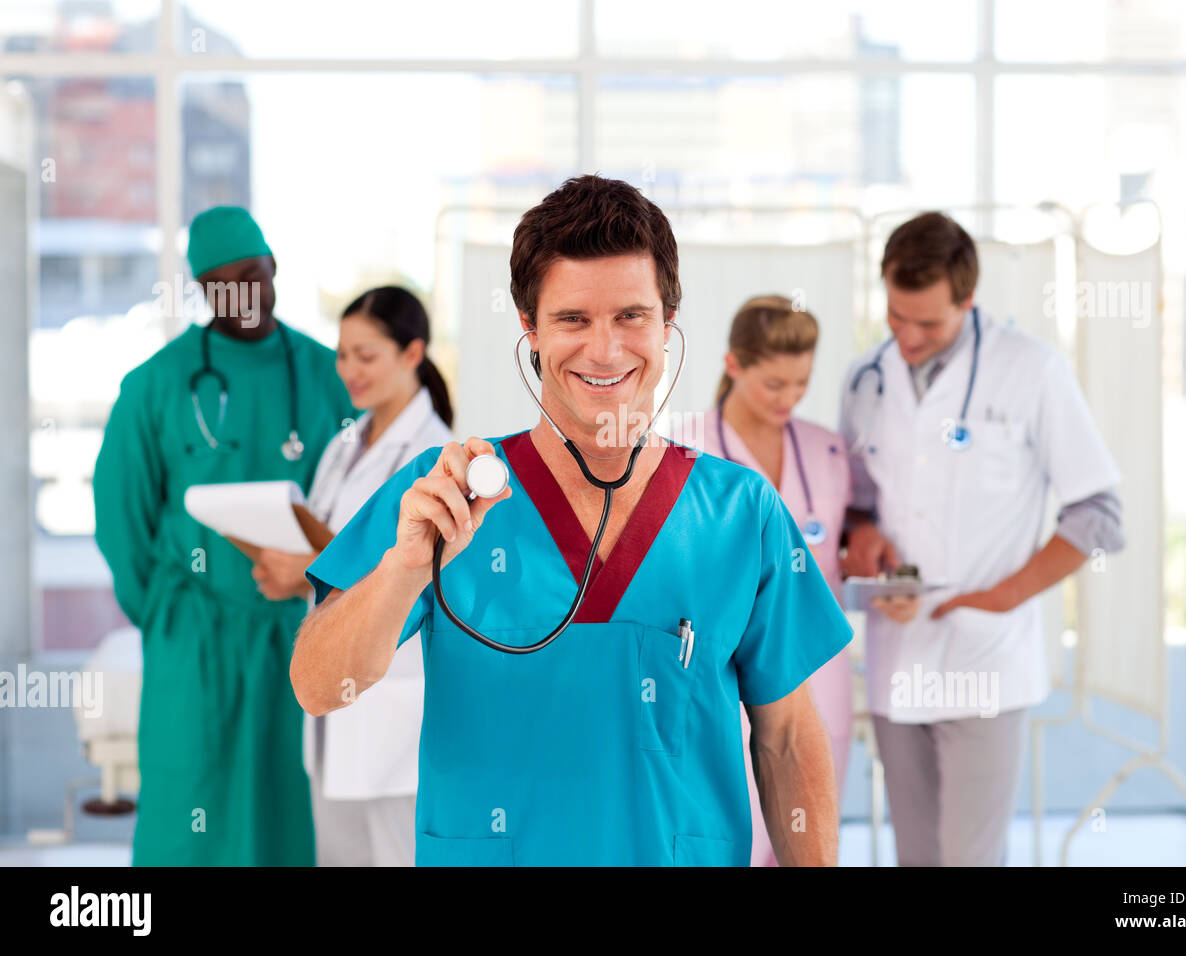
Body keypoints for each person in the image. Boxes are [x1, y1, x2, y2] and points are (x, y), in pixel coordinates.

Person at [290, 175, 851, 867]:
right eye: (572, 319)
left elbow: (788, 736)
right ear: (530, 330)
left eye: (631, 317)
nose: (605, 350)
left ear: (667, 325)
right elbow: (318, 686)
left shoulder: (742, 513)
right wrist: (404, 569)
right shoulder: (443, 494)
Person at [839, 211, 1125, 866]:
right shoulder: (865, 378)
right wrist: (868, 539)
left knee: (970, 859)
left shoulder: (1031, 371)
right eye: (895, 316)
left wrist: (1001, 597)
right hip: (897, 651)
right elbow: (856, 506)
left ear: (969, 301)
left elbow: (1099, 512)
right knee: (915, 856)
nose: (907, 336)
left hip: (984, 656)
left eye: (928, 323)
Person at [92, 205, 355, 865]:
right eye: (222, 283)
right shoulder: (155, 385)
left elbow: (366, 502)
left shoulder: (330, 376)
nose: (242, 294)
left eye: (253, 275)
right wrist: (160, 612)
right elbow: (120, 516)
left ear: (275, 271)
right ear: (203, 292)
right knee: (188, 808)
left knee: (290, 809)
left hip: (300, 626)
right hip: (195, 633)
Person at [250, 286, 454, 867]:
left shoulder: (437, 453)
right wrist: (299, 574)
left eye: (366, 355)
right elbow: (334, 551)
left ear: (412, 353)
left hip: (396, 712)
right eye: (342, 355)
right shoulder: (344, 445)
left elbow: (421, 576)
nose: (349, 371)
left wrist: (311, 576)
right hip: (335, 708)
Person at [671, 295, 852, 867]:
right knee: (732, 835)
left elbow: (848, 543)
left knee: (807, 837)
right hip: (719, 672)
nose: (789, 399)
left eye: (801, 383)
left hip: (820, 675)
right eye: (774, 384)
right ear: (733, 365)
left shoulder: (827, 450)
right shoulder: (679, 447)